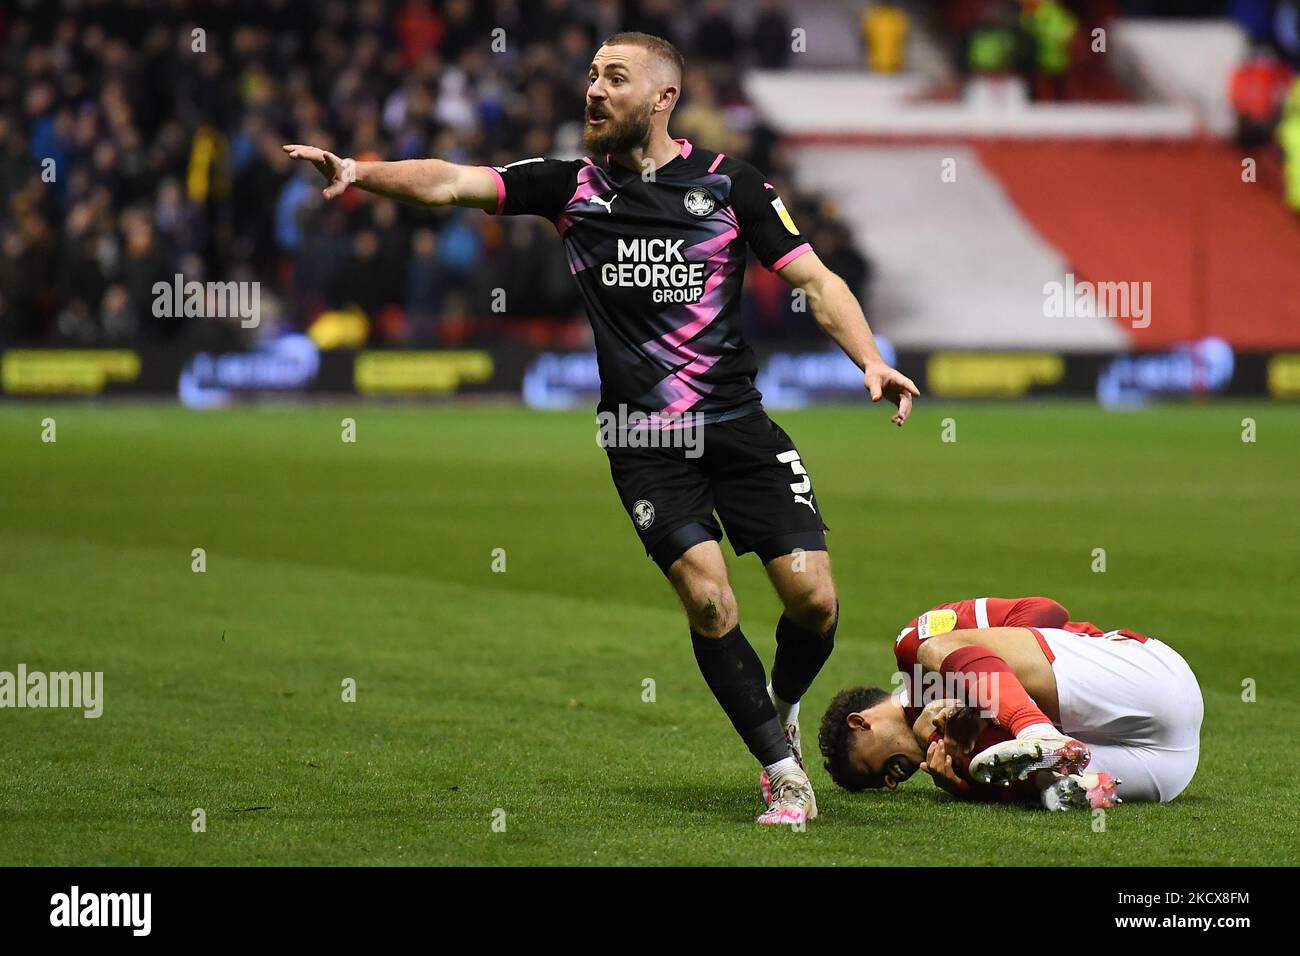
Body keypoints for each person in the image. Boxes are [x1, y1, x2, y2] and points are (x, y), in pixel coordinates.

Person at [284, 31, 918, 826]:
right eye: (590, 74)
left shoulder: (730, 185)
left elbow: (815, 280)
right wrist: (358, 171)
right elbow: (450, 183)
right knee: (711, 602)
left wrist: (869, 357)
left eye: (614, 77)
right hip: (645, 441)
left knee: (814, 602)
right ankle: (783, 773)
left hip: (739, 425)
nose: (593, 89)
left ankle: (781, 704)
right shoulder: (568, 186)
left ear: (662, 98)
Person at [817, 596, 1203, 810]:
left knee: (934, 647)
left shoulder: (912, 654)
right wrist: (967, 787)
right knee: (1048, 781)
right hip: (1168, 767)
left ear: (861, 721)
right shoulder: (957, 763)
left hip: (1146, 681)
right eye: (880, 785)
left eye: (873, 771)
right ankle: (1068, 779)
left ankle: (1037, 731)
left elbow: (1048, 611)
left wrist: (977, 698)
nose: (890, 782)